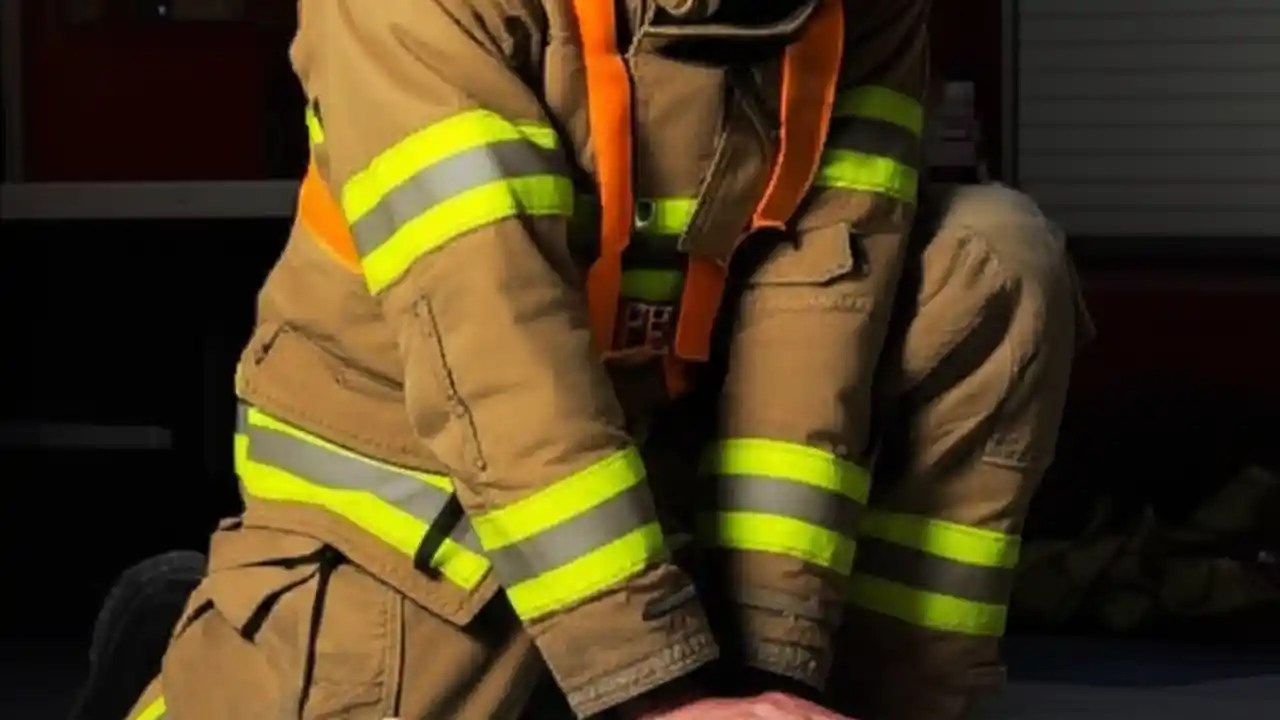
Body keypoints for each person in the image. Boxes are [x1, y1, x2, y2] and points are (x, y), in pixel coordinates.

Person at [101, 1, 1090, 718]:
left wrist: (773, 674)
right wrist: (656, 689)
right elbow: (497, 349)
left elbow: (823, 310)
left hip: (653, 443)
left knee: (989, 259)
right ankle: (187, 649)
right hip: (424, 482)